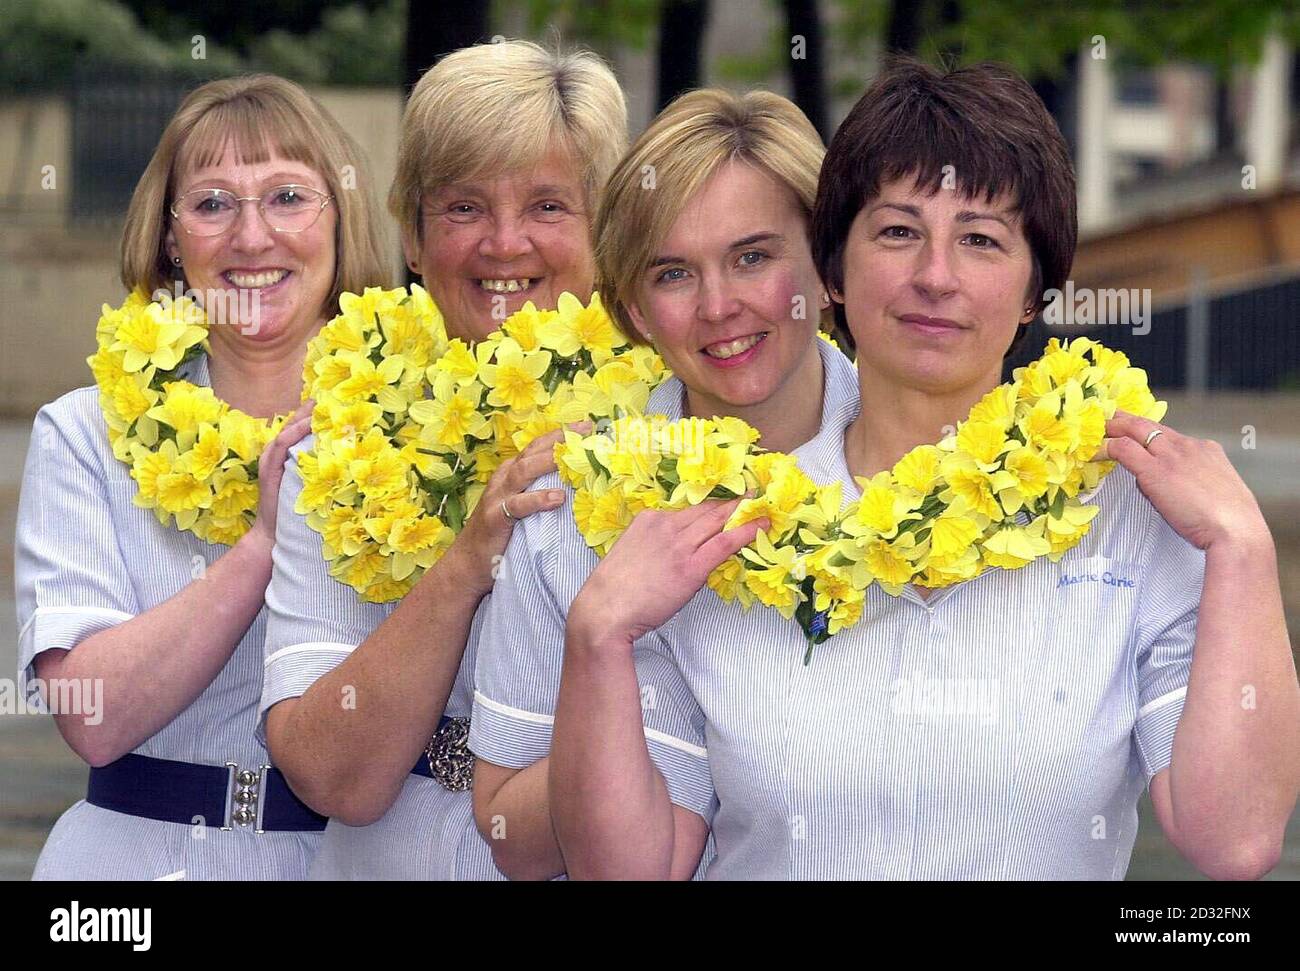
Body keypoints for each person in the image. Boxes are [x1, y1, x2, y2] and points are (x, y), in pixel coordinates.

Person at [547, 58, 1300, 879]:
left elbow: (1235, 842)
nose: (935, 277)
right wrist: (598, 635)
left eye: (981, 239)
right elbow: (627, 871)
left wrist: (1242, 549)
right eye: (899, 232)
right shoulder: (730, 527)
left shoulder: (1125, 509)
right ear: (831, 273)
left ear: (1031, 292)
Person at [259, 39, 628, 879]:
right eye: (463, 208)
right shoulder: (341, 431)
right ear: (415, 241)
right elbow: (328, 774)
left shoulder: (665, 427)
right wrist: (466, 562)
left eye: (548, 206)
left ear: (609, 226)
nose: (505, 244)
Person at [15, 74, 392, 879]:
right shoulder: (84, 432)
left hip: (356, 860)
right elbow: (92, 716)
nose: (252, 236)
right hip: (128, 866)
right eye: (214, 203)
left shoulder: (413, 428)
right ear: (169, 239)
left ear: (341, 218)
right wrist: (263, 543)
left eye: (288, 196)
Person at [469, 87, 851, 879]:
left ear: (826, 262)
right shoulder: (569, 502)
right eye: (673, 273)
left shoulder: (928, 480)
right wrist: (598, 642)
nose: (719, 306)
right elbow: (505, 828)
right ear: (635, 309)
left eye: (753, 256)